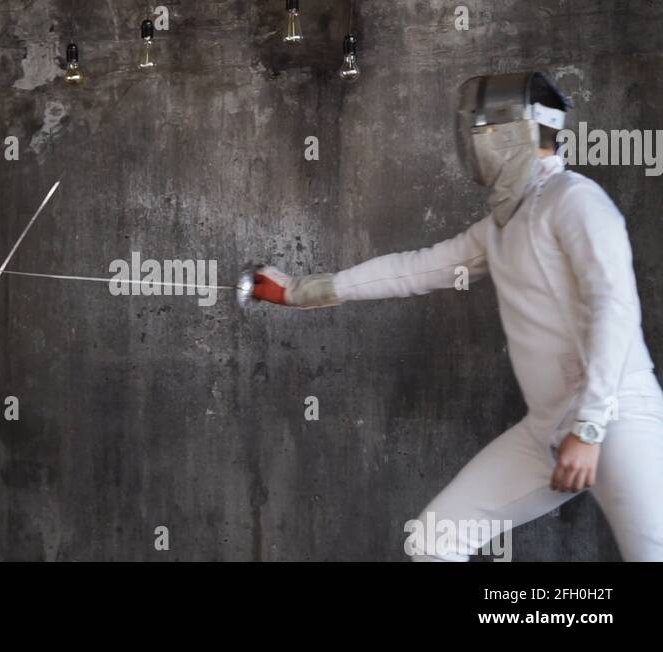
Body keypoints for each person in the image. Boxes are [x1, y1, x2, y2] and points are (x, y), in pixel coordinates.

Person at [251, 73, 663, 561]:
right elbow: (414, 269)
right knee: (435, 538)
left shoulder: (575, 200)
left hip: (617, 417)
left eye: (479, 130)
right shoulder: (500, 228)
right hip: (549, 427)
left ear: (513, 133)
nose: (470, 144)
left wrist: (590, 426)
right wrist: (298, 290)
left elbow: (613, 307)